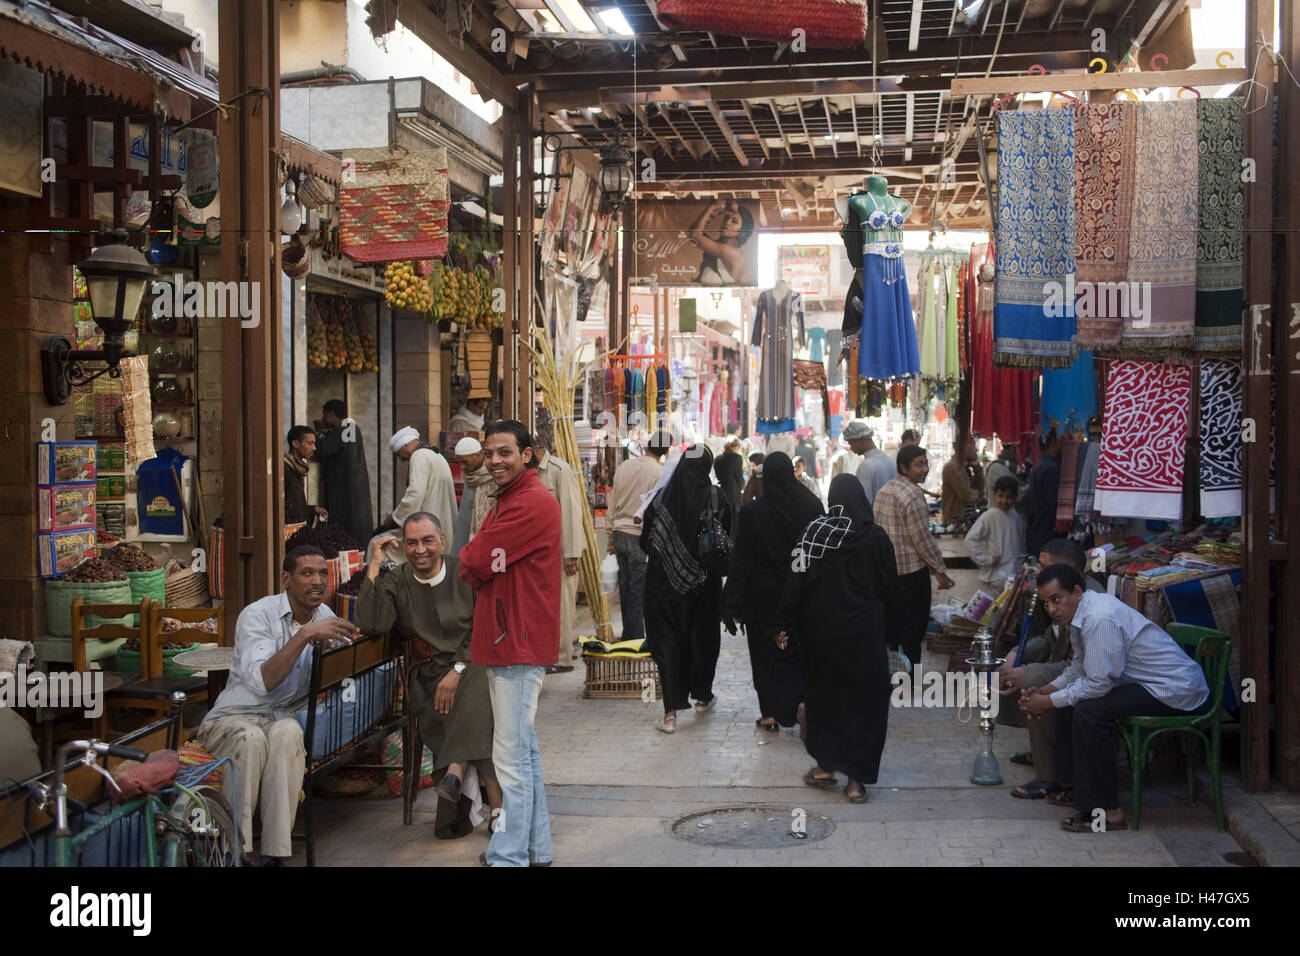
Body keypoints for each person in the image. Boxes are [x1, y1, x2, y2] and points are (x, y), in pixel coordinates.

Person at [198, 546, 360, 865]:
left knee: (288, 732)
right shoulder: (257, 615)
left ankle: (274, 854)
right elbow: (264, 681)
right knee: (250, 738)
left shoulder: (324, 616)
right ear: (286, 579)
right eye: (306, 573)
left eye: (322, 573)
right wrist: (305, 636)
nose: (317, 581)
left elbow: (338, 670)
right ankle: (237, 850)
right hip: (234, 718)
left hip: (280, 718)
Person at [1020, 564, 1208, 832]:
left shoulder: (1099, 618)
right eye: (1045, 603)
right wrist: (1050, 690)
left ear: (1076, 591)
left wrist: (1047, 702)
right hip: (1146, 683)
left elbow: (1097, 684)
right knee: (1069, 701)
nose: (1051, 609)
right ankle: (1068, 785)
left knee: (1089, 711)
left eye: (1056, 599)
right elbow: (1079, 667)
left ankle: (1108, 812)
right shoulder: (1078, 614)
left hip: (1175, 688)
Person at [355, 513, 500, 838]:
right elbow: (370, 624)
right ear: (403, 546)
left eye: (427, 540)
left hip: (471, 666)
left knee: (478, 678)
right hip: (430, 683)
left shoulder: (465, 572)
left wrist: (458, 669)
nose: (420, 549)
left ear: (443, 540)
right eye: (412, 542)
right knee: (483, 707)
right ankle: (498, 811)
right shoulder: (397, 580)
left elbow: (485, 627)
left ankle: (456, 769)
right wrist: (375, 565)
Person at [459, 421, 559, 867]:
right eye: (489, 452)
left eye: (505, 452)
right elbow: (482, 560)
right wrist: (478, 561)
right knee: (524, 753)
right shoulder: (514, 498)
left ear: (528, 454)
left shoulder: (531, 502)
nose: (495, 460)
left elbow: (476, 558)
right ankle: (535, 848)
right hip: (513, 637)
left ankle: (509, 855)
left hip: (516, 639)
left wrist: (474, 559)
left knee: (511, 760)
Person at [774, 475, 899, 803]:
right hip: (865, 637)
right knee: (865, 705)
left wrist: (783, 624)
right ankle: (856, 783)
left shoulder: (813, 535)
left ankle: (825, 766)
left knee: (825, 701)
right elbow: (890, 588)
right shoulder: (876, 538)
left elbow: (794, 584)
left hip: (822, 635)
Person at [721, 453, 823, 731]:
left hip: (762, 597)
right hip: (802, 593)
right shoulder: (812, 507)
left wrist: (730, 605)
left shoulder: (754, 513)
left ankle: (770, 714)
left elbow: (741, 563)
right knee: (798, 650)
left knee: (764, 655)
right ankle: (801, 708)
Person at [1001, 538, 1104, 798]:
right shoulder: (1057, 594)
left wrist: (1034, 674)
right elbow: (1049, 638)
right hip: (1074, 668)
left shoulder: (1087, 598)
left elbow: (1082, 665)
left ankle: (1049, 776)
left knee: (1033, 678)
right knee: (1014, 669)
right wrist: (1015, 654)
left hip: (1092, 674)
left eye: (1043, 565)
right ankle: (1042, 749)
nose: (1037, 571)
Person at [640, 444, 728, 734]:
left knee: (667, 644)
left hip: (662, 584)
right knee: (702, 641)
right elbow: (727, 541)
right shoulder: (717, 497)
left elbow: (645, 543)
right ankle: (702, 693)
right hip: (703, 584)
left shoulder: (660, 499)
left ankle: (670, 714)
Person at [872, 445, 955, 667]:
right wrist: (940, 571)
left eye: (925, 463)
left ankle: (894, 674)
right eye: (919, 464)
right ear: (903, 467)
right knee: (913, 629)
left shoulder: (885, 490)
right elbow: (922, 539)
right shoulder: (913, 495)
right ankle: (908, 681)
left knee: (894, 629)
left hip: (888, 573)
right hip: (910, 575)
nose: (925, 469)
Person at [609, 433, 669, 644]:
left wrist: (610, 533)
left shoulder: (625, 466)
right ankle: (633, 639)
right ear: (666, 452)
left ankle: (629, 635)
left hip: (619, 532)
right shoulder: (659, 472)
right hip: (638, 536)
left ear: (647, 446)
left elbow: (612, 499)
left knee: (625, 588)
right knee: (637, 591)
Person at [536, 448, 586, 672]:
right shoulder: (528, 472)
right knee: (546, 606)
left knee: (563, 605)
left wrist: (571, 554)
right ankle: (548, 654)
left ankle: (562, 657)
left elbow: (572, 512)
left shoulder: (559, 470)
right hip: (542, 554)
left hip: (563, 551)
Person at [314, 400, 374, 548]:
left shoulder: (346, 429)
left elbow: (322, 449)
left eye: (325, 415)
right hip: (352, 492)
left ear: (332, 414)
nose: (323, 419)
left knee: (347, 535)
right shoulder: (350, 428)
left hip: (345, 494)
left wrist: (315, 435)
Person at [964, 475, 1025, 585]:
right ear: (994, 495)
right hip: (995, 577)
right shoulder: (989, 516)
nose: (1004, 500)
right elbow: (970, 540)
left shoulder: (1016, 517)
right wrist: (987, 560)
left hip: (1014, 576)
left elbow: (1020, 546)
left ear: (1015, 497)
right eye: (1000, 496)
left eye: (1009, 497)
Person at [688, 199, 755, 285]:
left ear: (742, 232)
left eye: (734, 222)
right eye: (726, 218)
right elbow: (694, 231)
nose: (727, 222)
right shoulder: (719, 248)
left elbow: (695, 236)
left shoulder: (732, 253)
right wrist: (717, 212)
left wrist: (712, 207)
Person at [1025, 428, 1063, 557]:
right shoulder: (1051, 469)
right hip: (1046, 537)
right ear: (1054, 442)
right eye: (1063, 439)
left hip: (1038, 535)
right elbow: (1054, 505)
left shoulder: (1043, 466)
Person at [452, 436, 494, 550]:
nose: (462, 467)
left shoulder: (495, 476)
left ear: (479, 455)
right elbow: (464, 518)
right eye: (459, 462)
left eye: (465, 462)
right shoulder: (470, 477)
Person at [283, 425, 327, 527]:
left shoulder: (298, 468)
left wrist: (313, 509)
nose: (314, 448)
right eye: (310, 443)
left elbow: (297, 503)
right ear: (295, 444)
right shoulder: (285, 468)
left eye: (314, 444)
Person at [844, 420, 893, 505]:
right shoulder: (889, 460)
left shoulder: (866, 466)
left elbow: (864, 501)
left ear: (860, 440)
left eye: (851, 443)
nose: (851, 448)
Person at [941, 442, 983, 526]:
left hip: (966, 522)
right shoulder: (952, 467)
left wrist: (977, 468)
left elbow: (980, 488)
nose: (976, 449)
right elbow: (966, 495)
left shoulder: (965, 468)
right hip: (956, 524)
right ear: (965, 448)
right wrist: (981, 496)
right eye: (973, 445)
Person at [713, 437, 745, 531]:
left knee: (723, 518)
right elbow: (739, 476)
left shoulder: (718, 459)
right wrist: (742, 486)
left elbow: (717, 476)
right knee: (734, 520)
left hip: (722, 491)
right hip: (734, 493)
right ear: (735, 447)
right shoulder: (737, 458)